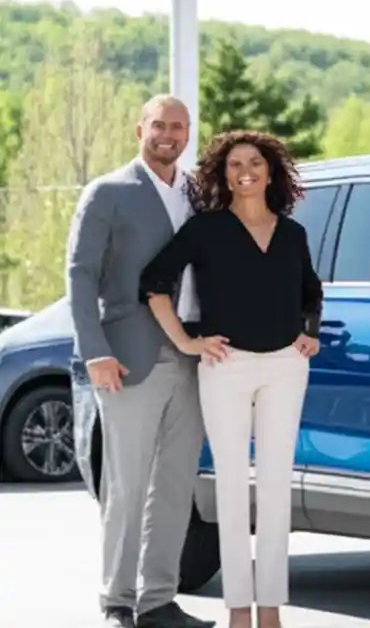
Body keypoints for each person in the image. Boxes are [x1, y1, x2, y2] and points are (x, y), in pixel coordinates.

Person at [139, 129, 322, 628]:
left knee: (276, 486)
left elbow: (311, 292)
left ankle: (271, 612)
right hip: (226, 366)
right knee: (233, 489)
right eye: (235, 164)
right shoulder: (206, 230)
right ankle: (239, 610)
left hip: (286, 367)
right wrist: (186, 342)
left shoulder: (292, 233)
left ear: (270, 171)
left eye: (255, 163)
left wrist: (310, 333)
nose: (246, 171)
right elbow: (154, 283)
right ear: (223, 174)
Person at [66, 94, 215, 628]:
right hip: (127, 357)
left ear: (188, 132)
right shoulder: (107, 192)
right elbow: (80, 276)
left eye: (178, 126)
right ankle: (117, 602)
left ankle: (158, 599)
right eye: (159, 125)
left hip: (193, 357)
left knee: (176, 483)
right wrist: (95, 352)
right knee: (126, 485)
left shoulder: (199, 194)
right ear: (140, 129)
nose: (168, 134)